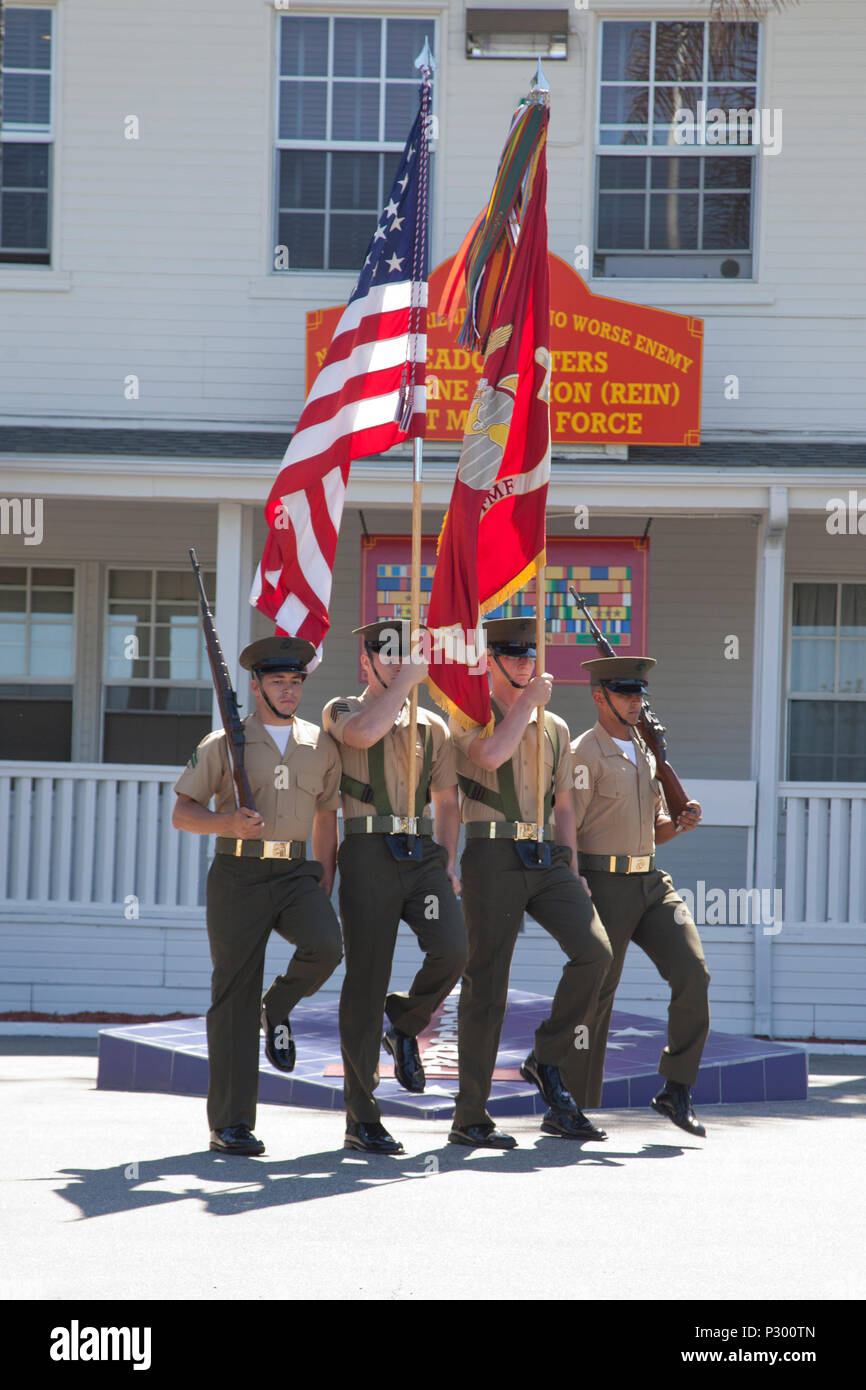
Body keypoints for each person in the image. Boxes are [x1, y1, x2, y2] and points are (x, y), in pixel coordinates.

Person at [172, 636, 343, 1156]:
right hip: (238, 875)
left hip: (295, 873)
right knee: (232, 999)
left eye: (295, 683)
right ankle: (231, 1124)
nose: (288, 691)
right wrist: (227, 821)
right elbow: (184, 811)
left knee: (327, 946)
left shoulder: (321, 744)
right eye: (277, 682)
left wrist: (324, 881)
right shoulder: (224, 742)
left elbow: (325, 818)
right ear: (255, 686)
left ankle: (280, 1004)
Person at [447, 616, 613, 1149]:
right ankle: (470, 1115)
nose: (527, 664)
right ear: (490, 662)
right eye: (515, 657)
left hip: (544, 855)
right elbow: (491, 755)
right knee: (487, 980)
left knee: (595, 952)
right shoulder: (466, 714)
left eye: (530, 656)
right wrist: (525, 704)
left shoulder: (556, 727)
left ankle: (545, 1058)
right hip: (491, 852)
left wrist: (572, 869)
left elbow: (564, 806)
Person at [322, 620, 467, 1156]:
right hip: (366, 849)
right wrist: (406, 683)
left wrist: (449, 861)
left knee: (454, 949)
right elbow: (362, 735)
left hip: (421, 853)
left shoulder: (433, 725)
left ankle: (404, 1025)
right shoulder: (341, 710)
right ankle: (362, 1115)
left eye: (405, 655)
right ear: (367, 663)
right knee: (366, 978)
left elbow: (448, 801)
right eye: (386, 656)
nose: (396, 662)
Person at [565, 654, 709, 1137]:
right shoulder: (585, 753)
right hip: (603, 881)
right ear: (598, 696)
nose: (635, 701)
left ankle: (676, 1088)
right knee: (598, 993)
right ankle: (567, 1100)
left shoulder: (646, 753)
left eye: (639, 693)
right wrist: (573, 880)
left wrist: (679, 824)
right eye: (626, 693)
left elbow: (654, 830)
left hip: (650, 880)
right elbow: (568, 825)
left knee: (693, 973)